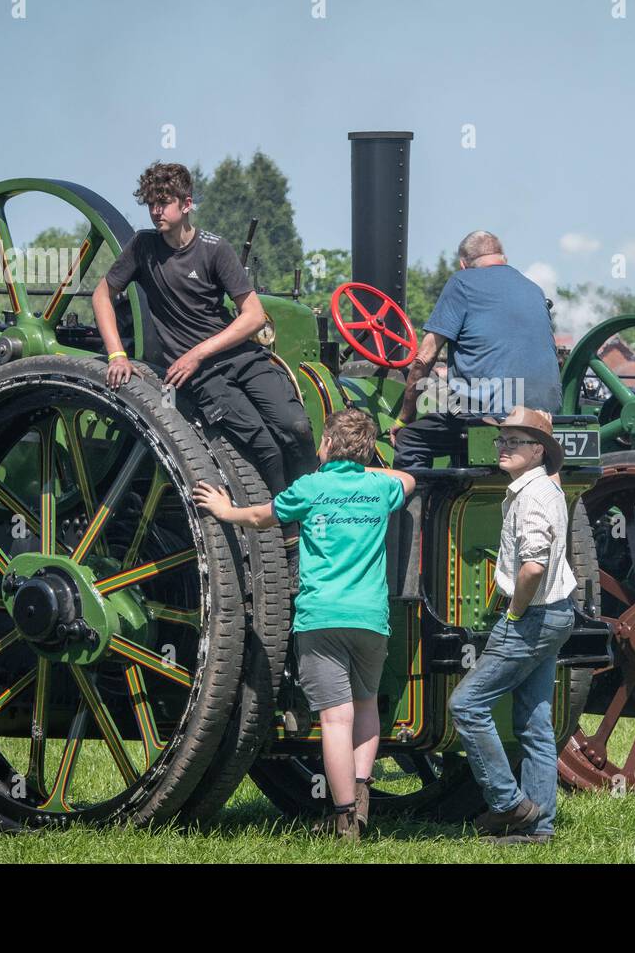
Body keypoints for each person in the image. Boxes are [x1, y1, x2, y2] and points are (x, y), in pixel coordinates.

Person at [194, 409, 415, 839]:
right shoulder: (379, 487)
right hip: (371, 618)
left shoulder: (313, 487)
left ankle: (344, 816)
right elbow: (408, 480)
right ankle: (363, 792)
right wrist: (361, 462)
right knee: (366, 706)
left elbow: (261, 518)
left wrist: (225, 509)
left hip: (322, 617)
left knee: (335, 720)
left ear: (327, 445)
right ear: (368, 450)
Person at [92, 162, 318, 566]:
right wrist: (116, 353)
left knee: (296, 427)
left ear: (187, 204)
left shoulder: (215, 249)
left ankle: (313, 512)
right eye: (151, 205)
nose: (156, 212)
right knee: (265, 447)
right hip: (203, 378)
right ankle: (290, 540)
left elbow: (252, 317)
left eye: (164, 204)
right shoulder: (143, 248)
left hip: (237, 357)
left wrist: (197, 352)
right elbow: (101, 296)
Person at [449, 406, 575, 844]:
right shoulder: (544, 488)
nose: (502, 447)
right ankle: (538, 828)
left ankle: (508, 805)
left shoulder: (534, 496)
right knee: (535, 723)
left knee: (466, 704)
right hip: (558, 614)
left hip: (533, 616)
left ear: (538, 450)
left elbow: (533, 567)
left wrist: (516, 613)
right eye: (501, 440)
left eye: (514, 442)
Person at [391, 231, 562, 468]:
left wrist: (404, 417)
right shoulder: (533, 288)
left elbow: (424, 358)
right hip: (547, 412)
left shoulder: (461, 283)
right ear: (504, 258)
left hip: (491, 414)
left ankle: (430, 503)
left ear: (463, 264)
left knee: (410, 440)